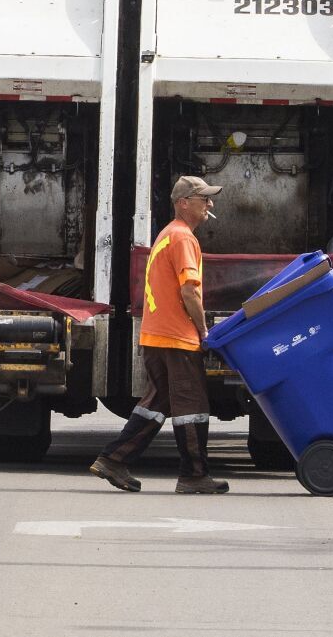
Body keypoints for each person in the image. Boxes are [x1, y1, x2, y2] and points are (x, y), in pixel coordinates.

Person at [90, 174, 229, 495]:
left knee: (158, 402)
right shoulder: (183, 238)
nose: (210, 204)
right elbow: (190, 291)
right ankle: (194, 475)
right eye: (203, 198)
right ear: (183, 204)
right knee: (192, 405)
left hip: (157, 336)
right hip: (176, 337)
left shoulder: (168, 235)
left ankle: (113, 460)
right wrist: (203, 329)